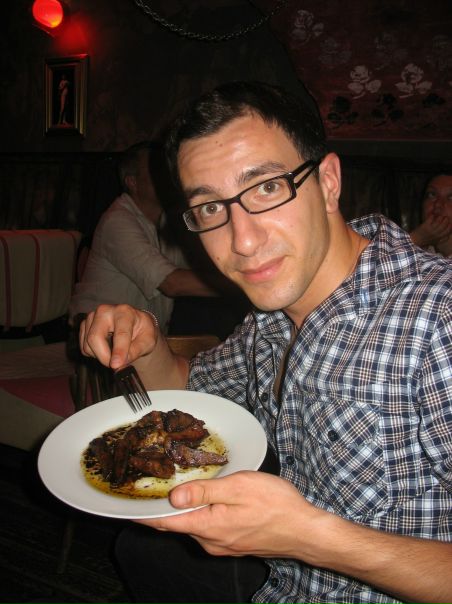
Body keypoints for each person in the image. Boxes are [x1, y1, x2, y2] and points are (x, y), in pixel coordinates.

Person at [79, 82, 452, 604]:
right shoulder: (270, 315)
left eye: (267, 188)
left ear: (327, 182)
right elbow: (192, 388)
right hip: (279, 586)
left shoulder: (438, 320)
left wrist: (308, 538)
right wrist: (148, 345)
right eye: (210, 208)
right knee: (140, 552)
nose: (243, 241)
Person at [69, 141, 222, 334]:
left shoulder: (166, 220)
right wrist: (237, 285)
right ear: (132, 183)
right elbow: (172, 284)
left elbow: (195, 267)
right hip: (95, 335)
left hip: (138, 337)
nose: (166, 177)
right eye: (156, 171)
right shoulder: (117, 221)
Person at [409, 172, 452, 258]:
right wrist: (414, 239)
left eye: (451, 197)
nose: (438, 204)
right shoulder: (414, 253)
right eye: (432, 195)